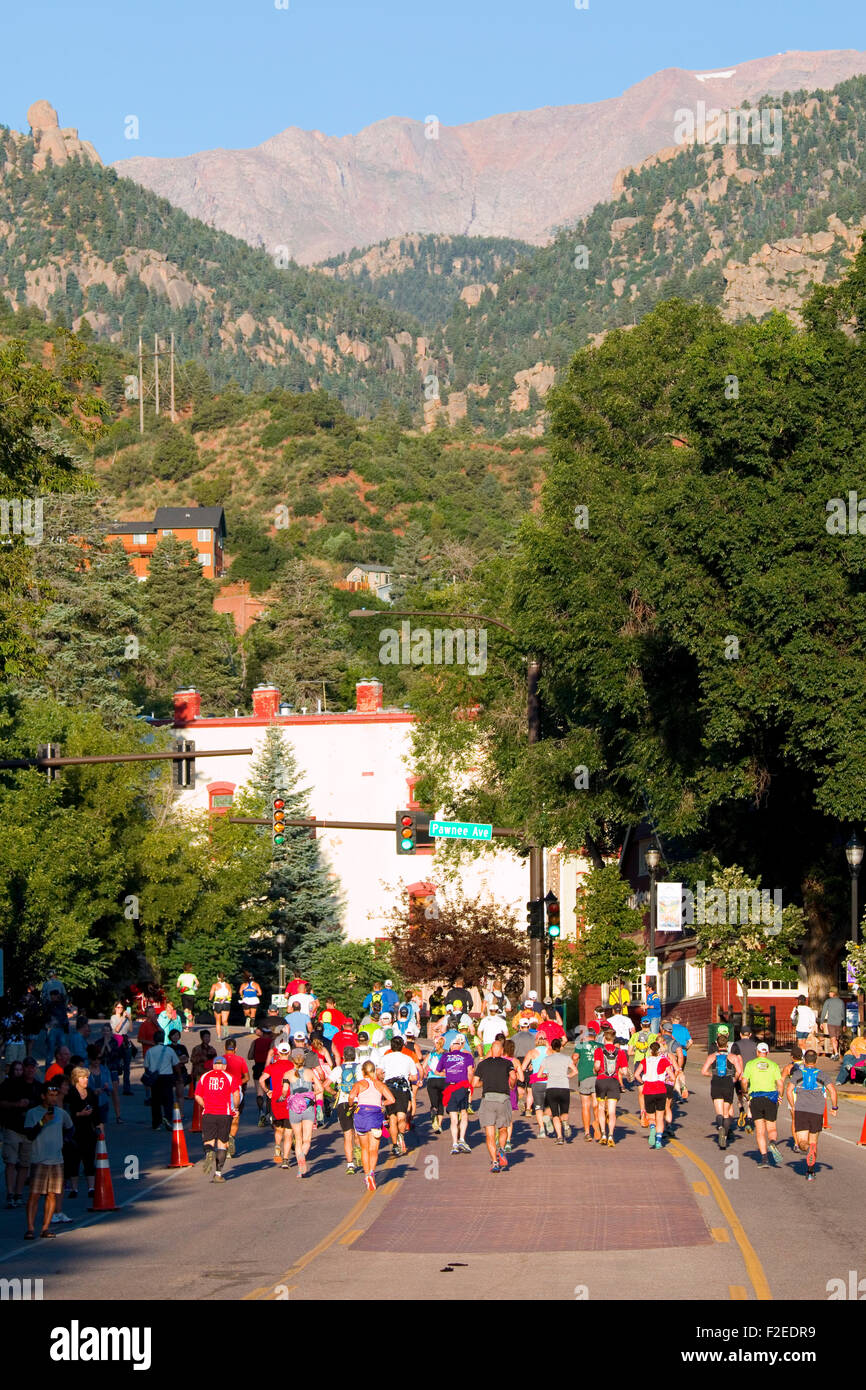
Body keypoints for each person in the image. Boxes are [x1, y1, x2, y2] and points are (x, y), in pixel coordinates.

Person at [23, 1082, 73, 1238]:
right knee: (35, 1194)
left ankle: (46, 1228)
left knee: (52, 1194)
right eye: (50, 1095)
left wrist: (65, 1139)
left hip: (57, 1160)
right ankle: (30, 1228)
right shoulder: (33, 1113)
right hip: (39, 1159)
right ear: (43, 1096)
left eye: (55, 1096)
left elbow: (71, 1128)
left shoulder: (61, 1113)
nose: (53, 1098)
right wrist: (43, 1121)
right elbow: (29, 1135)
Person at [786, 1049, 838, 1181]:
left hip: (801, 1111)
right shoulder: (823, 1075)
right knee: (814, 1141)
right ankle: (810, 1172)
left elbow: (789, 1090)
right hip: (817, 1112)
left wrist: (793, 1105)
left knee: (802, 1142)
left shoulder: (798, 1074)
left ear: (804, 1060)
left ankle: (808, 1148)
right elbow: (832, 1091)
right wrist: (834, 1107)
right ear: (816, 1061)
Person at [472, 1037, 517, 1172]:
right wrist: (511, 1085)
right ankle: (502, 1149)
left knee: (489, 1133)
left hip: (488, 1100)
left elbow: (474, 1083)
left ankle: (495, 1162)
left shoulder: (483, 1064)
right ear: (502, 1051)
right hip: (503, 1099)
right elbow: (513, 1077)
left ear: (491, 1050)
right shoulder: (506, 1063)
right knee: (503, 1129)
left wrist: (484, 1083)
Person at [348, 1061, 395, 1191]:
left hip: (361, 1114)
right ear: (374, 1071)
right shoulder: (379, 1084)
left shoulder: (359, 1084)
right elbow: (392, 1100)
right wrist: (380, 1104)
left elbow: (351, 1096)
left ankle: (366, 1173)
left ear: (363, 1072)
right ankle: (371, 1174)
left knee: (364, 1148)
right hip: (375, 1115)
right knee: (374, 1149)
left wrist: (351, 1105)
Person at [1, 1058, 41, 1209]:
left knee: (25, 1163)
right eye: (28, 1067)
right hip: (13, 1126)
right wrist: (16, 1104)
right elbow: (1, 1102)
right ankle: (10, 1193)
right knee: (11, 1161)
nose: (30, 1070)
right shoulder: (11, 1084)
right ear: (23, 1068)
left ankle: (18, 1193)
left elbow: (44, 1107)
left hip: (29, 1130)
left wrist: (39, 1123)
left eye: (33, 1067)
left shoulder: (38, 1087)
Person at [195, 1054, 241, 1183]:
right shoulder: (230, 1077)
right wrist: (235, 1108)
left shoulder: (205, 1077)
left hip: (209, 1113)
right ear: (225, 1066)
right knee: (222, 1143)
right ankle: (218, 1173)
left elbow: (197, 1096)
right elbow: (236, 1095)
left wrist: (205, 1105)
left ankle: (209, 1152)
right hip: (224, 1114)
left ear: (214, 1065)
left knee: (208, 1141)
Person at [742, 1043, 784, 1169]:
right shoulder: (774, 1065)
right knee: (771, 1127)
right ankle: (772, 1142)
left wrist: (745, 1093)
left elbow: (744, 1081)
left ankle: (764, 1159)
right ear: (768, 1052)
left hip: (756, 1098)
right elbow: (780, 1084)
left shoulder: (750, 1064)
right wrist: (780, 1096)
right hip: (770, 1098)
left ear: (757, 1052)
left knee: (760, 1131)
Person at [700, 1027, 743, 1149]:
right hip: (728, 1083)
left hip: (716, 1083)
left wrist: (711, 1074)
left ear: (717, 1044)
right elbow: (739, 1071)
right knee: (726, 1112)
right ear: (727, 1044)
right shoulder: (733, 1057)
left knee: (718, 1112)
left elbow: (703, 1071)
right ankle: (725, 1134)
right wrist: (734, 1078)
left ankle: (719, 1127)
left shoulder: (712, 1056)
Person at [64, 1065, 101, 1202]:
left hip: (88, 1131)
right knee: (74, 1159)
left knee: (89, 1159)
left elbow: (97, 1113)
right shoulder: (71, 1093)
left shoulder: (90, 1093)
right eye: (82, 1077)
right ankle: (74, 1188)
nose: (85, 1080)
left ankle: (91, 1188)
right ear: (76, 1079)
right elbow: (68, 1113)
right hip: (74, 1131)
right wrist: (80, 1113)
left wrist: (100, 1128)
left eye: (86, 1077)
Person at [285, 1049, 323, 1178]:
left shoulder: (288, 1074)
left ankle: (300, 1165)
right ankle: (302, 1157)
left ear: (292, 1060)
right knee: (307, 1139)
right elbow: (320, 1088)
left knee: (298, 1139)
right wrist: (312, 1094)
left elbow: (284, 1091)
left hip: (294, 1108)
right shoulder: (310, 1072)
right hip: (308, 1107)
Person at [380, 1036, 419, 1156]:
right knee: (402, 1115)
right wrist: (406, 1077)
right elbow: (414, 1077)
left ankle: (395, 1145)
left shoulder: (385, 1058)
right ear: (403, 1046)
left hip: (389, 1087)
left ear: (391, 1047)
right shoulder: (408, 1058)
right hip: (402, 1088)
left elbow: (379, 1073)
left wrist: (384, 1078)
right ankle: (401, 1135)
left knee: (392, 1117)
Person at [260, 1039, 296, 1166]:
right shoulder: (293, 1067)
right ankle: (285, 1160)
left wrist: (267, 1090)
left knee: (278, 1128)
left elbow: (261, 1079)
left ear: (278, 1053)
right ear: (289, 1052)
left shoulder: (272, 1066)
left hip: (276, 1099)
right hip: (290, 1100)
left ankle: (277, 1146)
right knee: (288, 1131)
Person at [535, 1036, 577, 1143]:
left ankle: (559, 1137)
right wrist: (568, 1076)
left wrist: (546, 1076)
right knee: (564, 1111)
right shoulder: (566, 1058)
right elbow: (575, 1071)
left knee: (555, 1114)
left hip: (551, 1088)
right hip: (564, 1087)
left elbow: (539, 1075)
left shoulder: (547, 1059)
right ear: (560, 1047)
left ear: (551, 1048)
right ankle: (565, 1123)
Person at [635, 1040, 676, 1149]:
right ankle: (658, 1141)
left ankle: (652, 1127)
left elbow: (636, 1074)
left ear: (649, 1051)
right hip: (661, 1090)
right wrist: (666, 1080)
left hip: (648, 1090)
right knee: (660, 1117)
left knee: (651, 1116)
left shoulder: (645, 1061)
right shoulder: (663, 1061)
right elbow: (672, 1076)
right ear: (659, 1051)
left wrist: (642, 1081)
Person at [331, 1046, 363, 1174]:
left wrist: (335, 1093)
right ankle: (359, 1150)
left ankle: (350, 1164)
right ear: (355, 1056)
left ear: (344, 1056)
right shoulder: (360, 1068)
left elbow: (326, 1085)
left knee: (347, 1134)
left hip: (343, 1102)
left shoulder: (339, 1069)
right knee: (359, 1131)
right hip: (358, 1102)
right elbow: (364, 1084)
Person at [593, 1029, 629, 1146]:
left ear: (604, 1038)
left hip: (601, 1080)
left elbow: (597, 1066)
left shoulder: (599, 1050)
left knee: (601, 1108)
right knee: (612, 1111)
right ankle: (611, 1135)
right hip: (613, 1081)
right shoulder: (620, 1052)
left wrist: (595, 1070)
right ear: (614, 1039)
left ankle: (603, 1133)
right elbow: (623, 1071)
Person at [145, 1029, 184, 1131]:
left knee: (156, 1101)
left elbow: (146, 1066)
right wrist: (179, 1077)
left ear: (154, 1040)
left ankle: (156, 1123)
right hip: (167, 1076)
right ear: (164, 1039)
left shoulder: (150, 1051)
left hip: (155, 1078)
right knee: (168, 1100)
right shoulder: (169, 1050)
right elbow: (176, 1065)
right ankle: (167, 1118)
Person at [440, 1037, 475, 1154]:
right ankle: (462, 1139)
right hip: (462, 1086)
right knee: (464, 1113)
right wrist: (469, 1086)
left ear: (451, 1047)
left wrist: (448, 1072)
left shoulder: (445, 1056)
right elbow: (470, 1072)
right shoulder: (467, 1056)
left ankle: (454, 1143)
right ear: (460, 1046)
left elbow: (437, 1070)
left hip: (450, 1087)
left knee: (453, 1117)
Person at [220, 1037, 249, 1156]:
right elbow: (247, 1078)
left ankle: (224, 1142)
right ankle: (231, 1137)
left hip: (222, 1092)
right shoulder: (241, 1060)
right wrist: (237, 1083)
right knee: (235, 1116)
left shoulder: (220, 1060)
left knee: (224, 1117)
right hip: (236, 1091)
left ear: (225, 1048)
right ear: (236, 1048)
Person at [572, 1027, 601, 1142]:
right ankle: (597, 1123)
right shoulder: (600, 1046)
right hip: (597, 1076)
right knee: (596, 1103)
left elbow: (575, 1057)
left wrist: (573, 1065)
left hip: (584, 1075)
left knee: (585, 1105)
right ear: (595, 1036)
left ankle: (587, 1132)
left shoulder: (581, 1045)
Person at [522, 1031, 551, 1138]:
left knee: (538, 1107)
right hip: (550, 1081)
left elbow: (523, 1067)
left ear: (535, 1041)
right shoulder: (550, 1051)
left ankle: (542, 1129)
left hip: (537, 1082)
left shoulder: (531, 1052)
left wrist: (531, 1066)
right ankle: (547, 1118)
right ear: (546, 1040)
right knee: (548, 1106)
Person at [731, 1027, 758, 1131]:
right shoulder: (755, 1045)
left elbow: (733, 1059)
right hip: (752, 1075)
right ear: (750, 1035)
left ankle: (741, 1109)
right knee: (750, 1096)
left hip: (740, 1074)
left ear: (741, 1035)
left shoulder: (735, 1045)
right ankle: (750, 1118)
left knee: (740, 1095)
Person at [247, 1025, 274, 1124]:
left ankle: (261, 1113)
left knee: (259, 1092)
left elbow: (249, 1056)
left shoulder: (255, 1042)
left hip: (258, 1067)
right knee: (269, 1092)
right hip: (268, 1068)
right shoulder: (271, 1043)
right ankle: (268, 1113)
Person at [512, 1016, 537, 1115]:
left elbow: (512, 1052)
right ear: (528, 1026)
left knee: (520, 1086)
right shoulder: (534, 1038)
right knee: (530, 1089)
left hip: (519, 1061)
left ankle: (520, 1099)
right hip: (531, 1061)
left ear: (520, 1026)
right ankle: (528, 1109)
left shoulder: (514, 1038)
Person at [424, 1037, 448, 1134]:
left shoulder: (430, 1055)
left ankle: (434, 1110)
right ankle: (439, 1125)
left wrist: (425, 1074)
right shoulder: (446, 1055)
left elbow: (423, 1067)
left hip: (432, 1079)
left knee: (434, 1102)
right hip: (443, 1080)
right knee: (441, 1103)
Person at [109, 1004, 134, 1094]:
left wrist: (130, 1019)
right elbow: (117, 1029)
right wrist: (122, 1018)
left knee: (126, 1066)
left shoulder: (126, 1019)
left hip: (125, 1042)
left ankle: (126, 1088)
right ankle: (113, 1086)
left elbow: (131, 1030)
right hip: (117, 1042)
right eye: (118, 1007)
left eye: (122, 1008)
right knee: (115, 1065)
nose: (120, 1009)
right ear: (115, 1008)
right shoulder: (113, 1018)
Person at [820, 990, 846, 1059]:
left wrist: (821, 1022)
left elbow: (824, 1012)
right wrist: (844, 1024)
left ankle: (836, 1053)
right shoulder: (841, 1002)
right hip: (839, 1023)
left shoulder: (828, 1001)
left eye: (830, 992)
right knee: (836, 1039)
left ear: (833, 993)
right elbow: (843, 1013)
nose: (829, 994)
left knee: (833, 1038)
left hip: (831, 1022)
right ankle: (835, 1053)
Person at [209, 974, 233, 1041]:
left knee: (218, 1021)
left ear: (217, 978)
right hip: (226, 1002)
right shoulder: (228, 985)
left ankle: (219, 1037)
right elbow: (230, 995)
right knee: (224, 1020)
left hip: (218, 1002)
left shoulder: (215, 985)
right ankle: (225, 1029)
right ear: (224, 978)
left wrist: (210, 998)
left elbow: (211, 993)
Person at [176, 964, 200, 1029]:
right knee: (189, 1011)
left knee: (186, 1011)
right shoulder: (193, 976)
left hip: (184, 994)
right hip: (192, 994)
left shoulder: (181, 975)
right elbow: (197, 983)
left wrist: (182, 987)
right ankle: (187, 1027)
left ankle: (189, 1017)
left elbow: (177, 985)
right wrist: (194, 988)